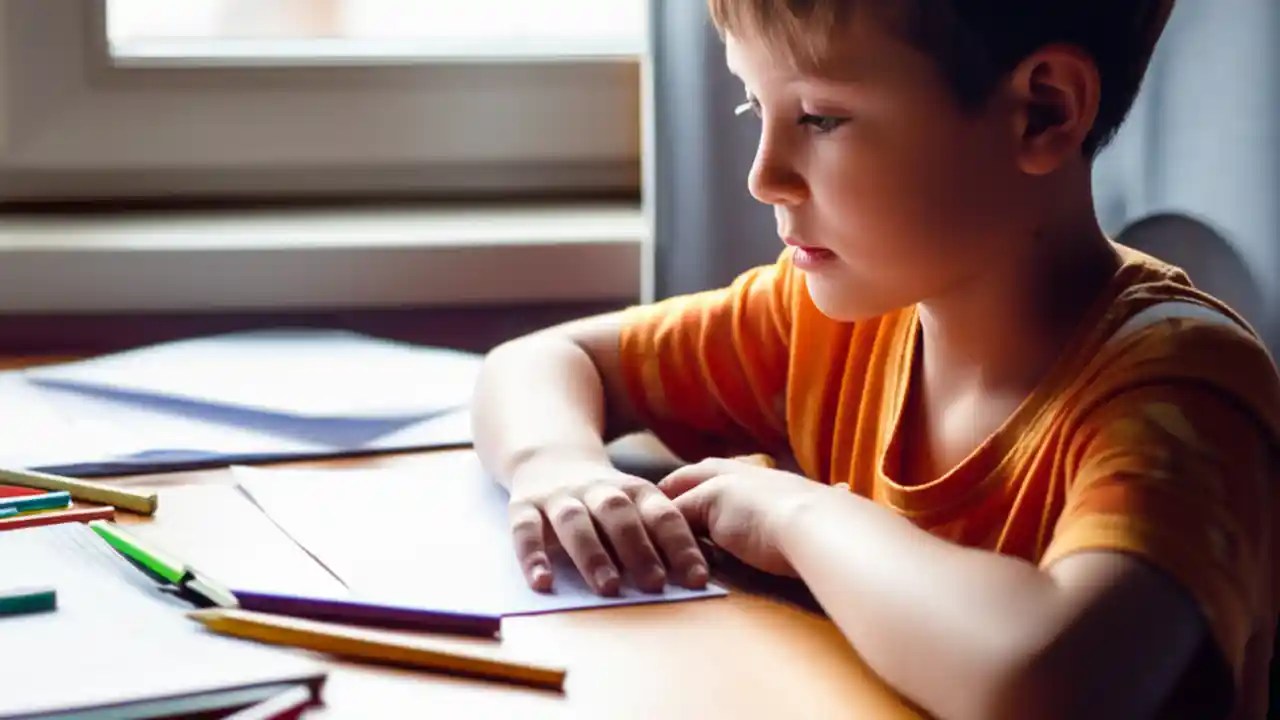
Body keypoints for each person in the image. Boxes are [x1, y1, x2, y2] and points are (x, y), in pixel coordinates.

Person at [472, 1, 1280, 717]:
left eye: (821, 119)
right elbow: (542, 361)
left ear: (1042, 112)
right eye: (755, 105)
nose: (764, 177)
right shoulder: (826, 321)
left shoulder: (1183, 390)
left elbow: (1046, 679)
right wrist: (558, 467)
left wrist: (798, 514)